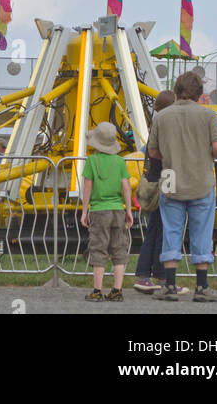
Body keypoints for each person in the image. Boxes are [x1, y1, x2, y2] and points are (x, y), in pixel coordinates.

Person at [148, 70, 217, 302]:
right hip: (200, 177)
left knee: (171, 229)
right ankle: (202, 287)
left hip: (171, 176)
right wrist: (206, 153)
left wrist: (171, 155)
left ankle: (169, 284)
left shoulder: (162, 116)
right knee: (202, 232)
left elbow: (153, 151)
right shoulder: (208, 114)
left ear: (176, 90)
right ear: (199, 92)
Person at [80, 121, 133, 302]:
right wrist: (129, 210)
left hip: (99, 211)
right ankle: (117, 290)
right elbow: (126, 186)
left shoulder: (91, 161)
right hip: (118, 210)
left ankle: (97, 290)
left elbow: (87, 186)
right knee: (119, 249)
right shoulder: (120, 161)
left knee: (98, 249)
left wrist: (84, 210)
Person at [134, 89, 179, 294]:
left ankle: (145, 274)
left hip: (153, 179)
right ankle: (161, 275)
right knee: (165, 229)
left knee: (155, 227)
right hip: (165, 179)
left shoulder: (155, 125)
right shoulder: (167, 126)